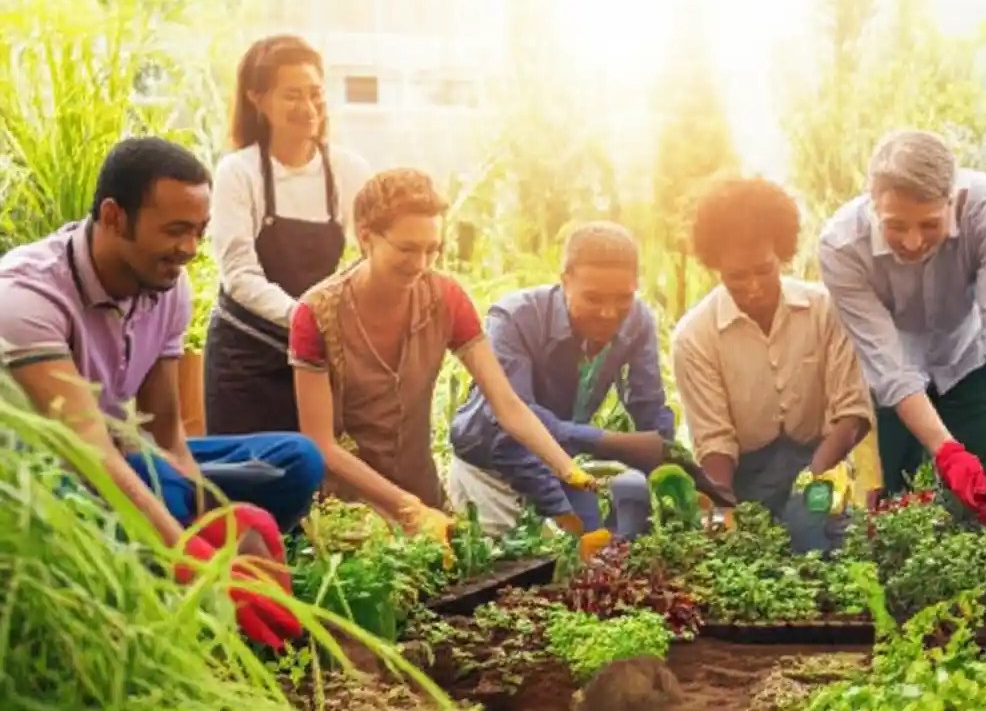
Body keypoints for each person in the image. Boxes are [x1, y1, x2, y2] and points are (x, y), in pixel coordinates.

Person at [0, 137, 322, 648]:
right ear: (114, 216)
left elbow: (165, 435)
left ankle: (161, 535)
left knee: (296, 459)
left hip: (124, 452)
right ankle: (152, 562)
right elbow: (87, 449)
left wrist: (210, 514)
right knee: (136, 488)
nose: (190, 250)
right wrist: (191, 560)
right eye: (175, 230)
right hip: (45, 474)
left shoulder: (166, 285)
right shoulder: (27, 296)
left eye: (198, 231)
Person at [289, 169, 598, 542]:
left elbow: (506, 404)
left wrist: (568, 471)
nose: (421, 264)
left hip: (423, 493)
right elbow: (321, 444)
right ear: (366, 236)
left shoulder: (445, 300)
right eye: (407, 249)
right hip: (348, 509)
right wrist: (406, 509)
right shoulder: (316, 315)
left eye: (432, 249)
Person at [818, 129, 986, 524]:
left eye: (929, 224)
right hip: (892, 377)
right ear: (873, 205)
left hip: (966, 357)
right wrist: (946, 452)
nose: (913, 240)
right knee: (895, 503)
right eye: (896, 225)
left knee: (984, 499)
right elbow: (890, 368)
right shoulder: (841, 247)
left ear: (952, 199)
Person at [672, 177, 877, 553]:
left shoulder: (824, 311)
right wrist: (722, 511)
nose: (752, 286)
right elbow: (714, 440)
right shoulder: (694, 337)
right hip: (742, 473)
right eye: (736, 276)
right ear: (715, 267)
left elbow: (852, 412)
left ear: (781, 255)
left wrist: (813, 478)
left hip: (819, 457)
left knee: (813, 538)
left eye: (763, 270)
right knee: (736, 557)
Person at [448, 222, 677, 538]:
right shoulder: (515, 318)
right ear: (565, 281)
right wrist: (602, 445)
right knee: (504, 571)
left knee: (593, 558)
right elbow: (512, 424)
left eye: (622, 298)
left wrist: (674, 472)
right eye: (593, 299)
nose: (609, 313)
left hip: (563, 464)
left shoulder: (637, 320)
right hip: (490, 473)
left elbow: (649, 411)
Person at [204, 34, 372, 436]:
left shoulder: (348, 171)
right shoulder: (238, 173)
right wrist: (305, 319)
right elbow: (240, 275)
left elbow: (372, 256)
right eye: (292, 95)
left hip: (312, 359)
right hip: (244, 361)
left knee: (309, 479)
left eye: (316, 93)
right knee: (240, 486)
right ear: (257, 99)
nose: (309, 107)